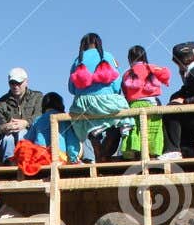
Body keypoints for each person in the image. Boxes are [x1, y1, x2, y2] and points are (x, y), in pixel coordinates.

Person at [67, 32, 132, 163]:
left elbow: (71, 89)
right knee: (123, 109)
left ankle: (97, 138)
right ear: (99, 43)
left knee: (85, 119)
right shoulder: (107, 56)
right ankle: (120, 130)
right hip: (105, 102)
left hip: (83, 105)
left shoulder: (77, 60)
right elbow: (116, 86)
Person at [119, 45, 171, 161]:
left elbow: (124, 91)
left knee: (135, 130)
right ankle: (152, 156)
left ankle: (134, 156)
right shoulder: (152, 68)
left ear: (130, 59)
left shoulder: (127, 74)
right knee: (153, 131)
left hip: (133, 107)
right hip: (151, 105)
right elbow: (166, 74)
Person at [0, 67, 42, 160]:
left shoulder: (37, 97)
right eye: (12, 83)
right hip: (9, 137)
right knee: (7, 139)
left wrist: (26, 123)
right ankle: (9, 167)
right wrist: (5, 127)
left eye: (19, 83)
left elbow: (40, 117)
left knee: (22, 134)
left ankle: (24, 163)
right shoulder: (1, 102)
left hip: (31, 136)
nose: (15, 86)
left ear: (26, 82)